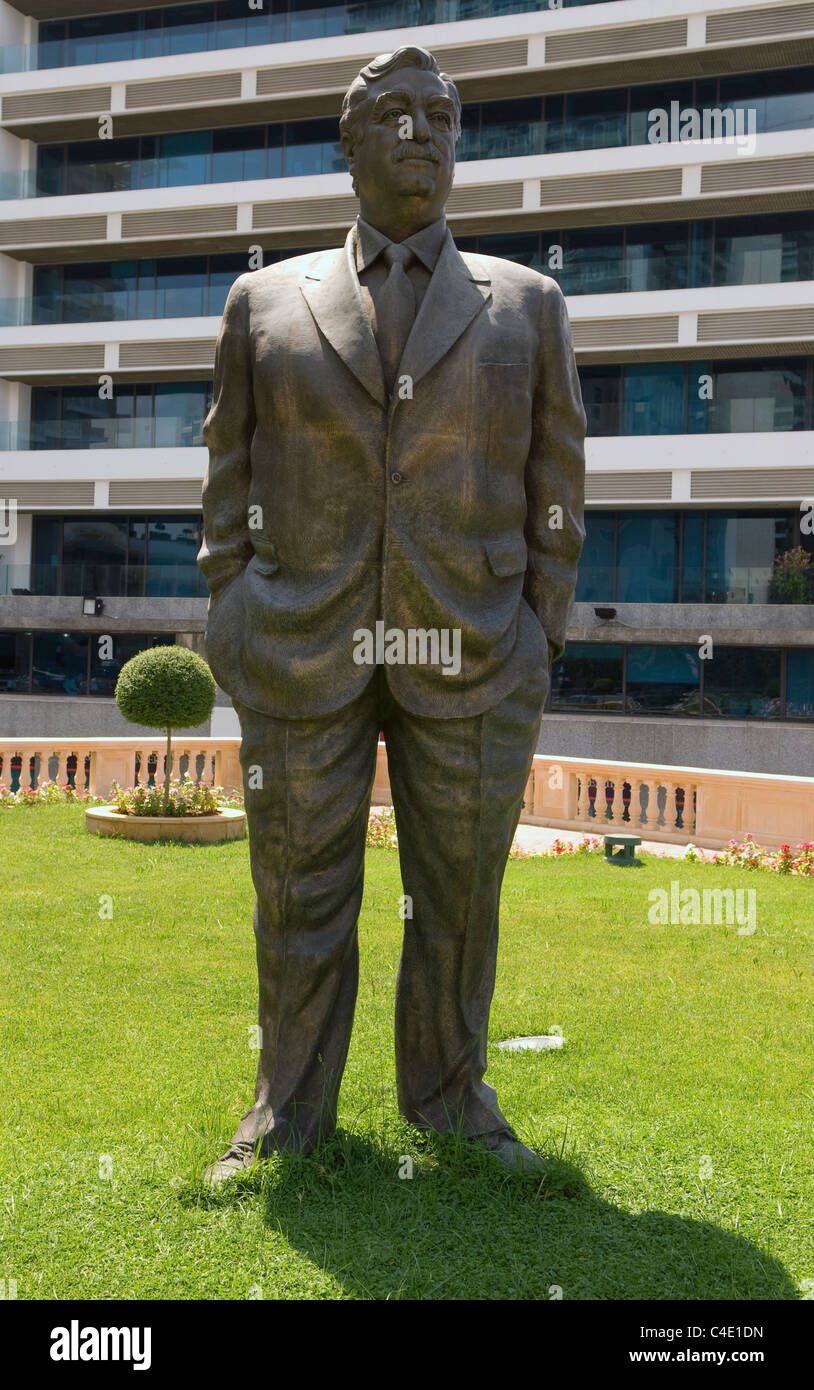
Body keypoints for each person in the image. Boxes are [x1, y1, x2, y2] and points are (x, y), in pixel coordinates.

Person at [198, 45, 586, 1184]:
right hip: (297, 642)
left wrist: (538, 631)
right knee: (296, 891)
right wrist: (231, 602)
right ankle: (286, 1114)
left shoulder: (527, 305)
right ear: (349, 146)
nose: (420, 132)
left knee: (459, 897)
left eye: (441, 116)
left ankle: (452, 1096)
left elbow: (556, 480)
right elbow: (227, 465)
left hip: (473, 649)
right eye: (394, 115)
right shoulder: (263, 302)